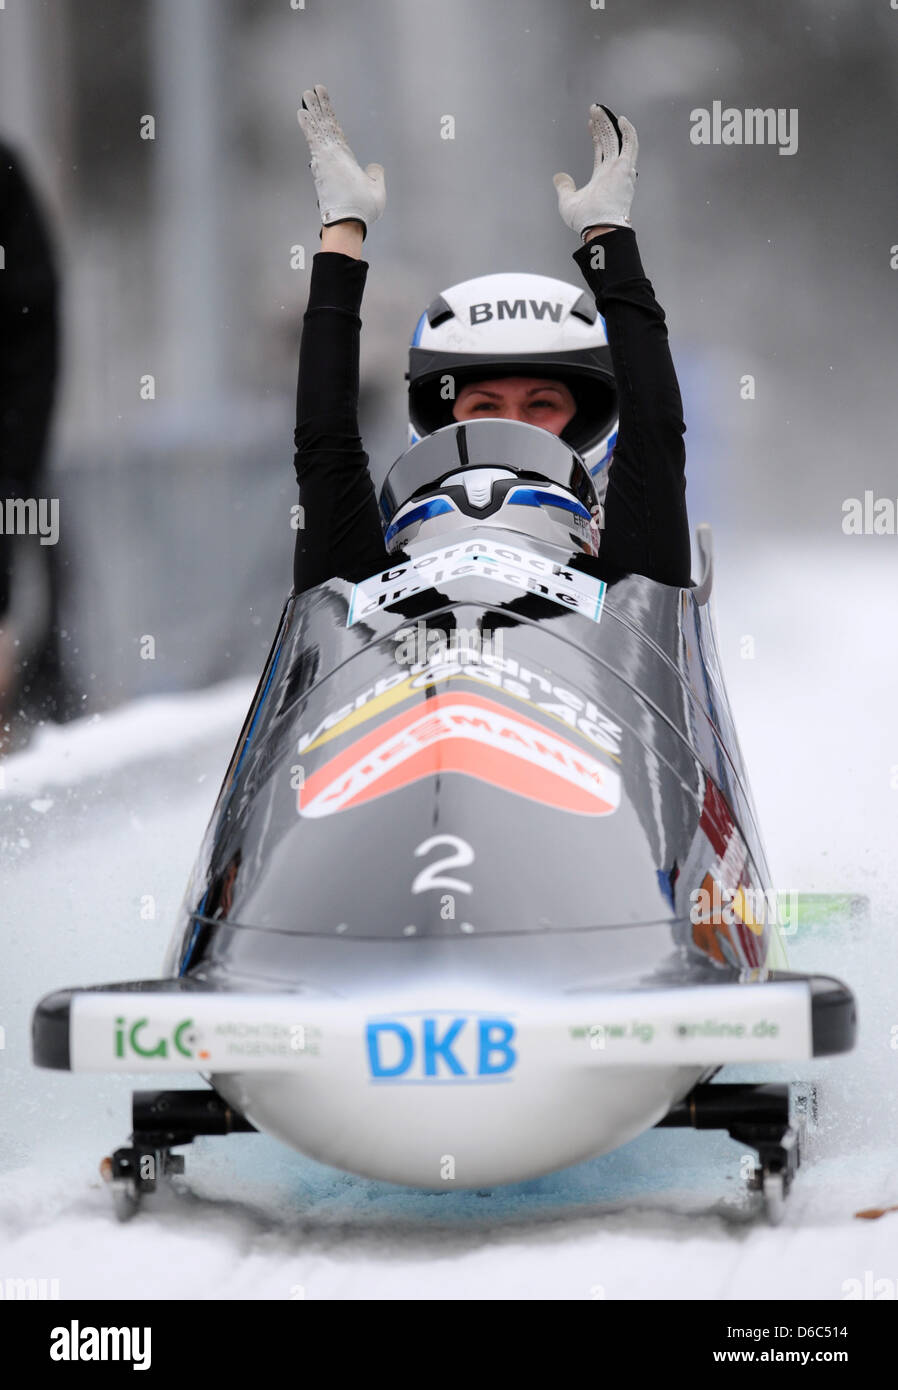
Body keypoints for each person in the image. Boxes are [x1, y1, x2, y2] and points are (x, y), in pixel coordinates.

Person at [293, 87, 690, 599]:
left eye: (541, 403)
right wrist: (343, 230)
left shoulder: (635, 572)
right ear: (440, 421)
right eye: (484, 406)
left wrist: (608, 236)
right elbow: (323, 447)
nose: (510, 425)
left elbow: (656, 431)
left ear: (592, 416)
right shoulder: (357, 575)